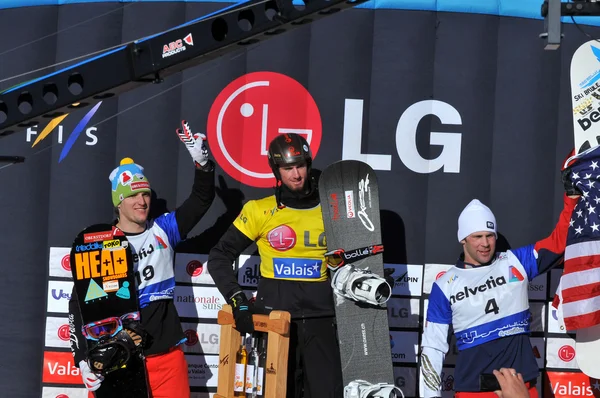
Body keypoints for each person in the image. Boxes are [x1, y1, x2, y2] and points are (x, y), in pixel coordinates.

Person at [68, 121, 216, 397]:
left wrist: (202, 163)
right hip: (117, 360)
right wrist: (82, 361)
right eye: (132, 194)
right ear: (118, 202)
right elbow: (78, 304)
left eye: (145, 193)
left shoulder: (164, 229)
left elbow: (201, 200)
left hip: (166, 358)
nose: (141, 201)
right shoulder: (99, 243)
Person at [420, 165, 580, 398]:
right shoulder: (445, 285)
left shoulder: (516, 261)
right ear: (463, 239)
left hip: (521, 387)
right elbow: (433, 347)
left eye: (490, 235)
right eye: (477, 237)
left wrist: (572, 200)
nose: (485, 243)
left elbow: (559, 242)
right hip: (474, 392)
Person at [207, 133, 343, 398]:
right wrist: (239, 301)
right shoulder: (259, 210)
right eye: (288, 168)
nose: (296, 174)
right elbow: (219, 256)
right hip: (276, 324)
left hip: (322, 322)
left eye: (300, 165)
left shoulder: (332, 209)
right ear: (276, 171)